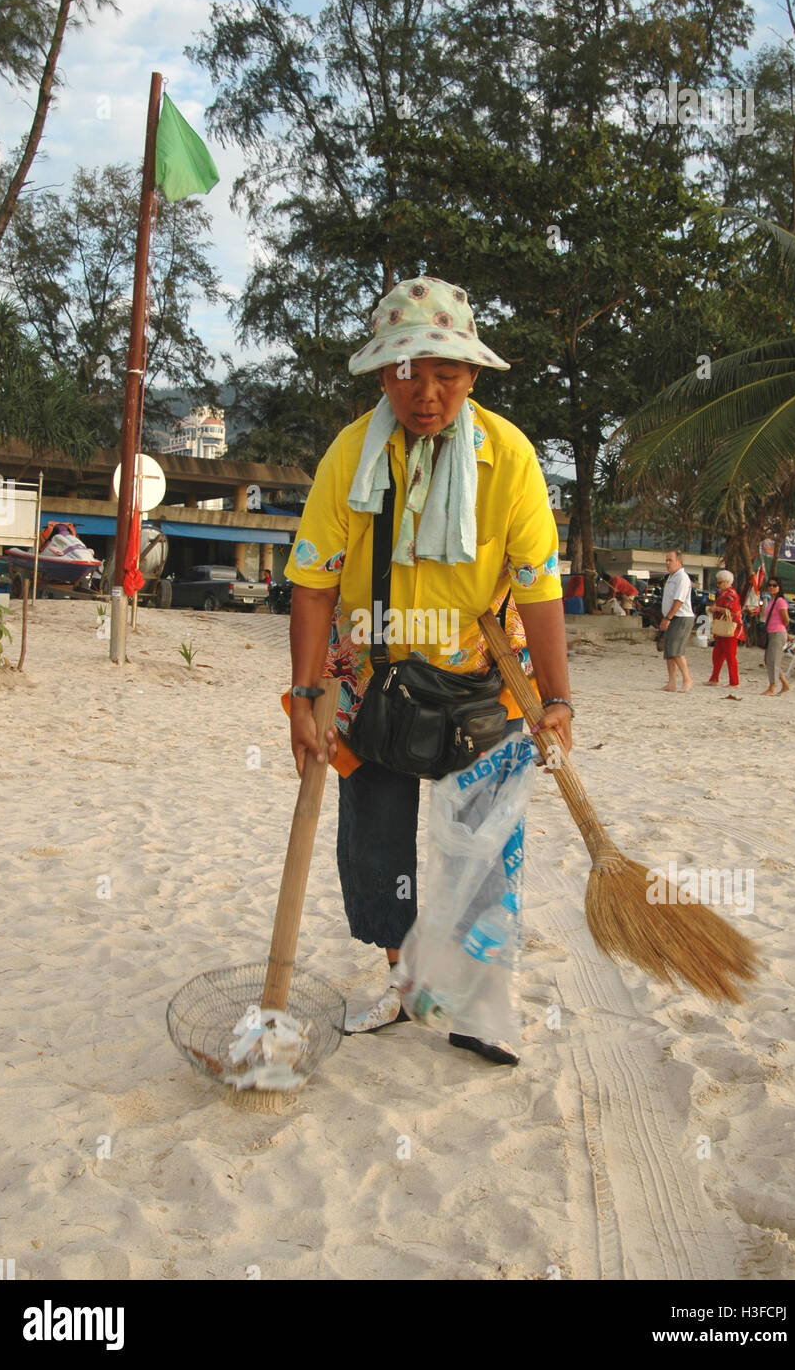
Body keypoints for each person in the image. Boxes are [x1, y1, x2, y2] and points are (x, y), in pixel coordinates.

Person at [284, 275, 572, 1066]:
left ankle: (480, 1001)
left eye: (446, 372)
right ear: (383, 375)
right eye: (408, 371)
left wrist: (559, 699)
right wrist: (307, 694)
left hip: (481, 674)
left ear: (472, 376)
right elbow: (312, 582)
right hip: (368, 676)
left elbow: (542, 585)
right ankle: (403, 979)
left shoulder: (508, 457)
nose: (426, 391)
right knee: (375, 843)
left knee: (484, 843)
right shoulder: (351, 455)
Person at [659, 549, 695, 691]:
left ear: (679, 562)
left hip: (681, 617)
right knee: (669, 651)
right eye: (666, 560)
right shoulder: (671, 577)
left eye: (670, 560)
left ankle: (687, 679)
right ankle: (671, 682)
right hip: (671, 616)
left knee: (676, 649)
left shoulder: (682, 577)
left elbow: (678, 600)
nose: (667, 563)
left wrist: (668, 617)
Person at [704, 569, 744, 688]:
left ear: (726, 582)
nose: (718, 585)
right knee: (718, 654)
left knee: (730, 655)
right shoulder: (723, 594)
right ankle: (714, 678)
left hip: (730, 628)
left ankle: (734, 681)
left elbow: (733, 611)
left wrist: (716, 609)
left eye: (720, 582)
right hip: (723, 627)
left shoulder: (731, 595)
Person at [759, 577, 791, 694]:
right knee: (769, 660)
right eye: (770, 585)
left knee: (773, 660)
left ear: (779, 587)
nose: (771, 587)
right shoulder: (772, 600)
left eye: (774, 585)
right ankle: (784, 683)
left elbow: (786, 619)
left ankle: (772, 686)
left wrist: (783, 630)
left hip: (777, 633)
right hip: (771, 632)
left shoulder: (780, 601)